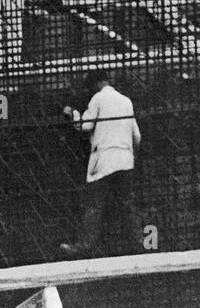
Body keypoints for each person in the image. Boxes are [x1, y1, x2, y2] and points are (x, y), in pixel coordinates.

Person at [60, 70, 141, 257]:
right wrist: (131, 156)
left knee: (94, 205)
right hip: (125, 159)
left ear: (96, 84)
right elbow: (137, 135)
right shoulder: (126, 101)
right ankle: (139, 245)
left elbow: (84, 125)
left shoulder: (98, 98)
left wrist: (72, 113)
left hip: (104, 160)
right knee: (127, 204)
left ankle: (84, 247)